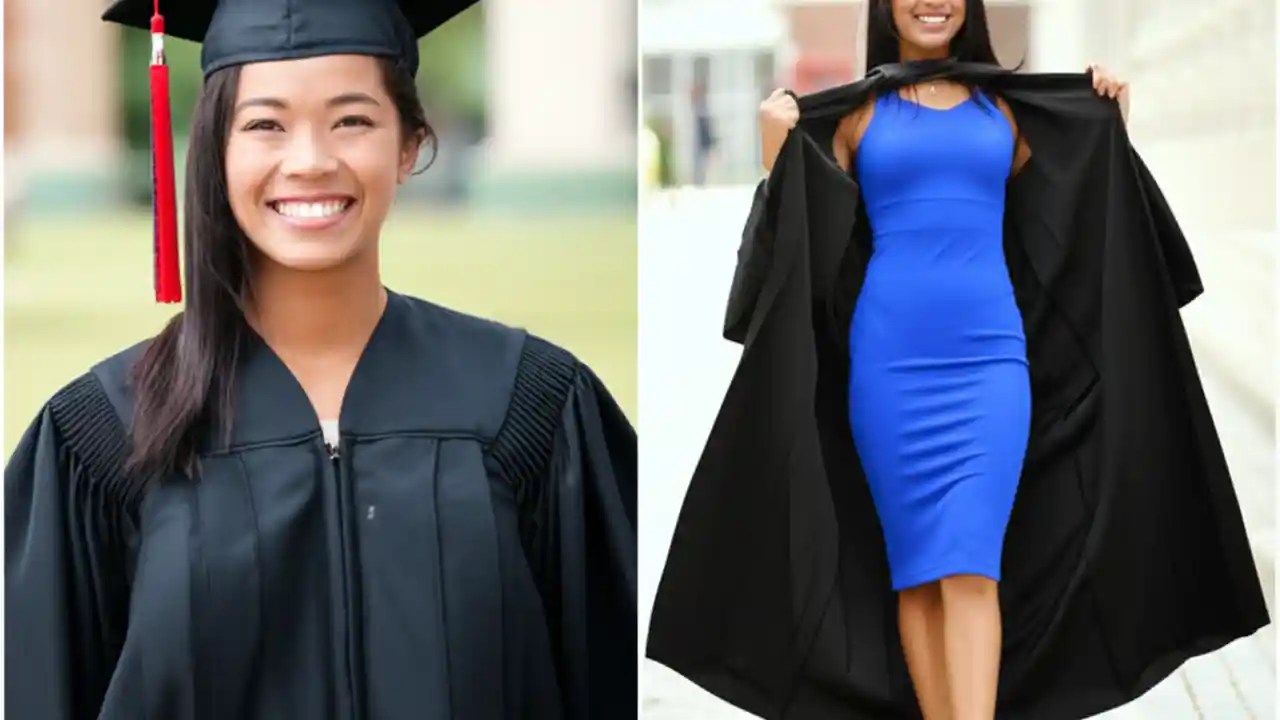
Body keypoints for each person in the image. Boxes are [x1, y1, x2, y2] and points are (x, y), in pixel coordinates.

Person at [5, 1, 637, 719]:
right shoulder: (100, 436)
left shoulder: (531, 407)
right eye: (265, 124)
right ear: (215, 149)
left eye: (352, 120)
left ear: (409, 146)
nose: (309, 161)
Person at [646, 1, 1268, 719]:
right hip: (888, 371)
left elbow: (1075, 198)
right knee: (917, 577)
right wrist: (774, 154)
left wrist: (1108, 123)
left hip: (989, 368)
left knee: (971, 570)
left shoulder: (1005, 111)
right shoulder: (856, 116)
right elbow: (796, 240)